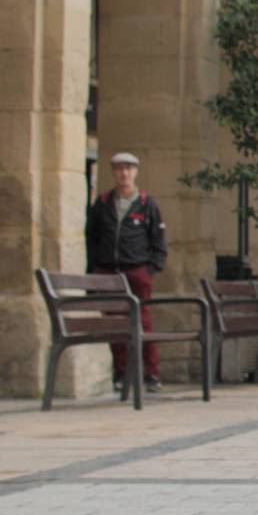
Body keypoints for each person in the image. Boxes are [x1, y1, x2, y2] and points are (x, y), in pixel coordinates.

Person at [85, 152, 168, 396]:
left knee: (142, 321)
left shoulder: (146, 203)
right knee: (115, 323)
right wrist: (93, 270)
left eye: (128, 169)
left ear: (136, 172)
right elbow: (92, 236)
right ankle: (122, 373)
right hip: (108, 271)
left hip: (136, 269)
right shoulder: (102, 203)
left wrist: (151, 268)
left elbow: (159, 239)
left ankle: (151, 373)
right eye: (119, 169)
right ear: (113, 172)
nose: (124, 173)